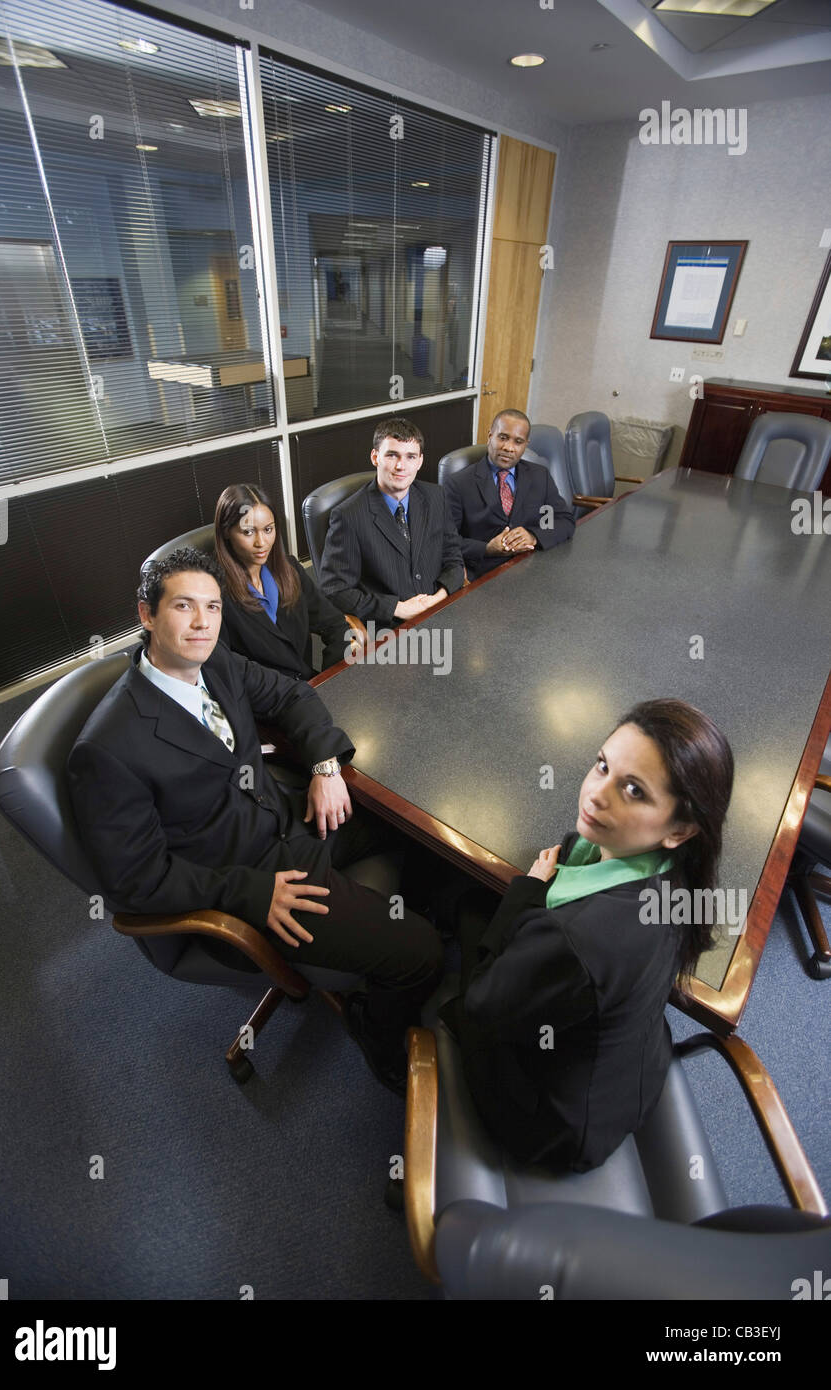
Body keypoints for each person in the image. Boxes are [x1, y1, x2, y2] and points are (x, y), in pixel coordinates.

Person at [67, 547, 443, 1093]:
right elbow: (136, 881)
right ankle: (380, 1041)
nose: (202, 623)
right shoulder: (106, 748)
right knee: (422, 955)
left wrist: (322, 766)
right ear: (146, 615)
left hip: (292, 821)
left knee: (418, 822)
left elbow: (292, 693)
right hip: (255, 885)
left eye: (214, 608)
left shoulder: (215, 660)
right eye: (184, 607)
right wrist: (251, 895)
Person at [441, 698, 734, 1171]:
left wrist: (527, 894)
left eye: (634, 791)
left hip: (557, 1128)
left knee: (472, 908)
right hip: (631, 1070)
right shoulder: (677, 874)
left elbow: (482, 1006)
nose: (596, 794)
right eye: (602, 766)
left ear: (680, 829)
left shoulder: (577, 941)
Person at [319, 416, 465, 627]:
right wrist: (400, 608)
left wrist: (437, 599)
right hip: (390, 626)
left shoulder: (435, 497)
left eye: (410, 457)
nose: (401, 466)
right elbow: (335, 590)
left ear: (420, 461)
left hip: (441, 610)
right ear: (375, 457)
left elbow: (453, 557)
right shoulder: (349, 515)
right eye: (392, 455)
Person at [214, 482, 354, 680]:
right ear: (226, 532)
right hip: (266, 704)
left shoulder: (289, 569)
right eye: (248, 532)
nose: (261, 543)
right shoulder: (215, 595)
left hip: (309, 689)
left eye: (268, 530)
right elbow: (227, 673)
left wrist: (328, 679)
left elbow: (335, 624)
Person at [444, 409, 575, 579]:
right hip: (484, 576)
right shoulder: (459, 484)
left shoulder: (539, 476)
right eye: (503, 437)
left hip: (533, 568)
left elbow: (561, 520)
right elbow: (446, 541)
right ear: (490, 436)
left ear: (526, 444)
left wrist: (534, 536)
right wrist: (487, 548)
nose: (508, 448)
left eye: (518, 441)